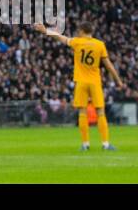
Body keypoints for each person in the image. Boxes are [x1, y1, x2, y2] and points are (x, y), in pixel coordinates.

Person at [34, 21, 125, 151]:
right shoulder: (100, 45)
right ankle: (105, 144)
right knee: (100, 112)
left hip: (81, 82)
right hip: (94, 82)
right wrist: (118, 81)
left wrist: (46, 31)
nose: (78, 32)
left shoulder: (77, 42)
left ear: (82, 31)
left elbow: (60, 37)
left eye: (79, 30)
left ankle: (85, 144)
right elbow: (108, 65)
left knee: (82, 112)